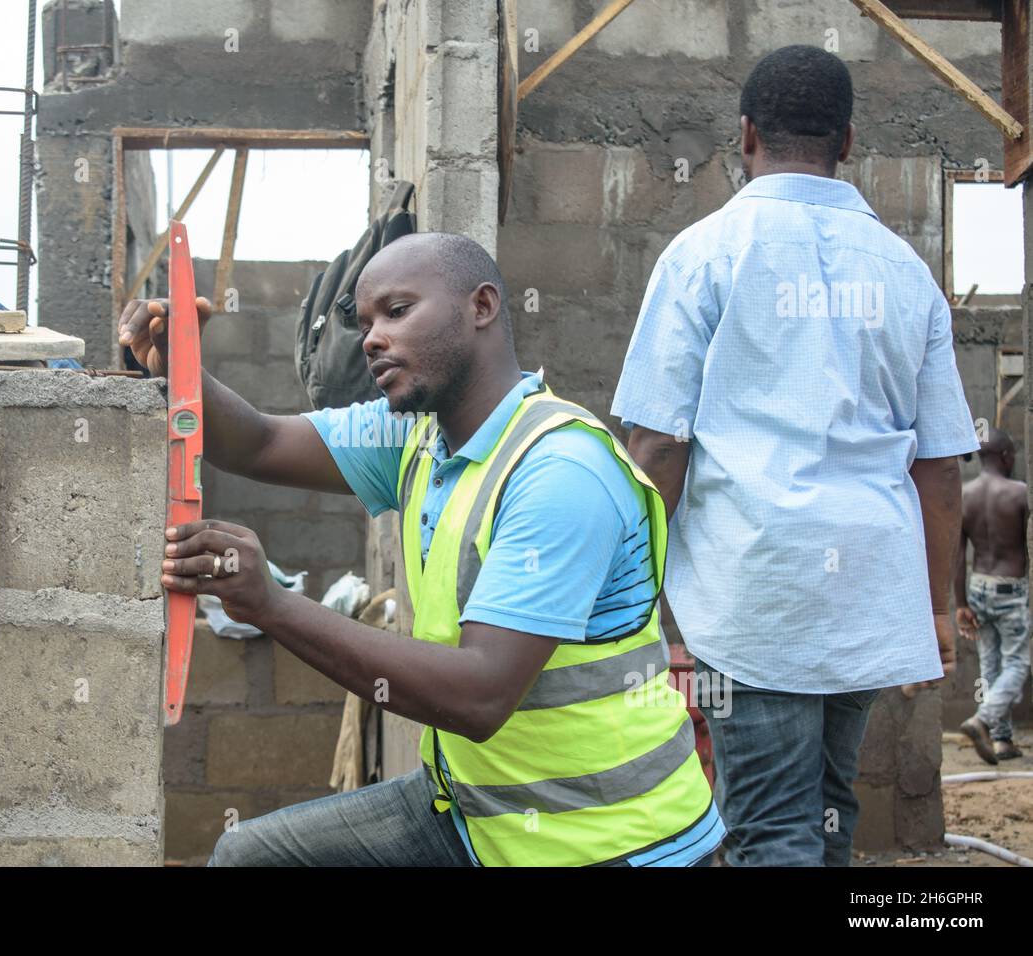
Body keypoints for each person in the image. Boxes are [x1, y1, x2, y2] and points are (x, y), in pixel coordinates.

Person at [119, 232, 723, 866]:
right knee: (251, 858)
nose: (372, 337)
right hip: (474, 814)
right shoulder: (416, 435)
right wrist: (179, 368)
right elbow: (260, 443)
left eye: (397, 311)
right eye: (365, 321)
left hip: (608, 841)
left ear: (481, 306)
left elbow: (480, 696)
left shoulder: (560, 473)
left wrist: (270, 604)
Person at [610, 45, 978, 866]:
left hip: (755, 590)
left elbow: (659, 444)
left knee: (772, 826)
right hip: (866, 594)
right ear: (847, 141)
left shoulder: (703, 254)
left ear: (745, 135)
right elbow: (941, 464)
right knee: (828, 811)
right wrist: (928, 611)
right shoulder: (905, 273)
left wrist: (630, 592)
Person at [956, 429, 1029, 763]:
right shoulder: (1020, 494)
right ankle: (982, 721)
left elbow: (958, 557)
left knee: (991, 663)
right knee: (1018, 663)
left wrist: (960, 603)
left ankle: (1001, 740)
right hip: (1010, 590)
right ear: (1005, 457)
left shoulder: (964, 495)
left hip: (978, 585)